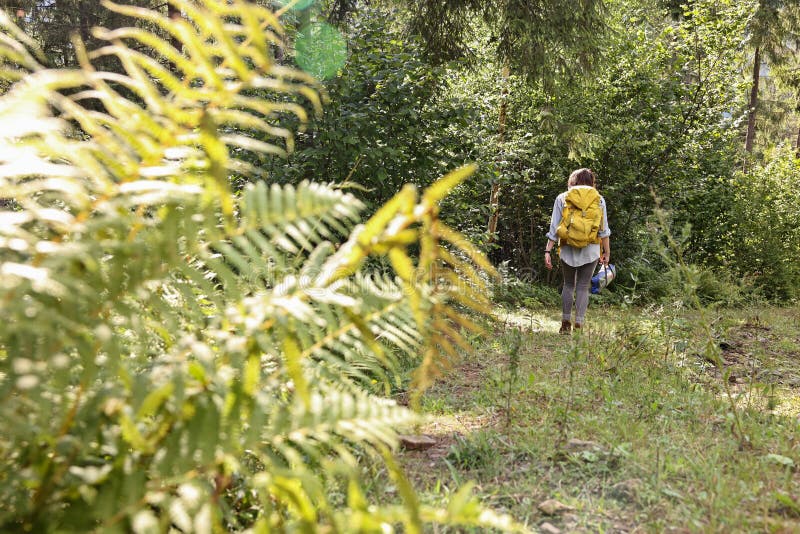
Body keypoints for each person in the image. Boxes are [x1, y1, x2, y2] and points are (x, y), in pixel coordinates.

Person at [544, 168, 611, 334]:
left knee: (568, 284)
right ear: (591, 182)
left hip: (567, 246)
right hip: (592, 247)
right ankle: (579, 322)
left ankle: (565, 321)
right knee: (583, 286)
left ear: (572, 181)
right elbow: (604, 230)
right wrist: (607, 252)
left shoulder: (562, 197)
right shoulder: (599, 199)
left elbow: (554, 227)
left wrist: (548, 251)